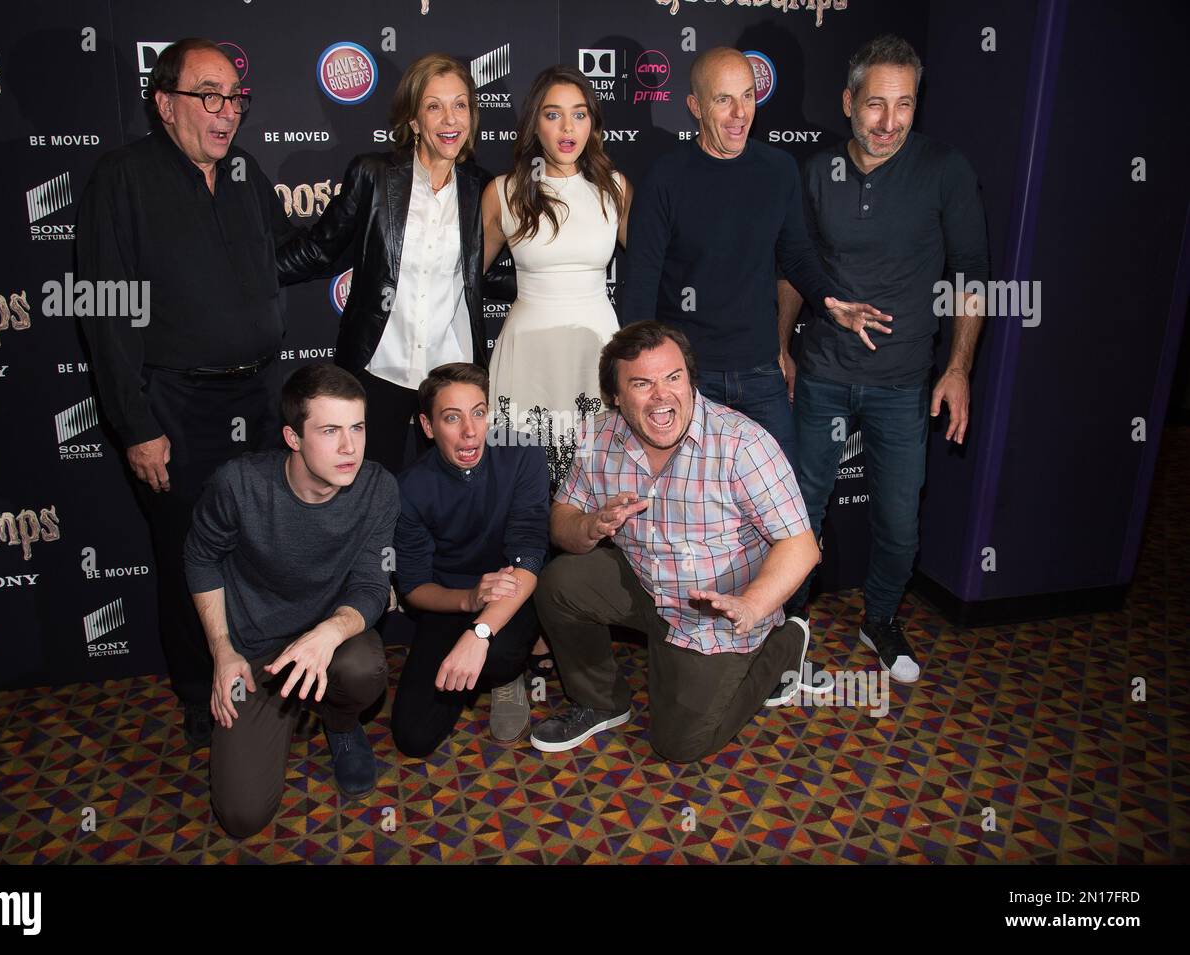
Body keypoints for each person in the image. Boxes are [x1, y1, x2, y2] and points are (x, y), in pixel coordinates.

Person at [77, 38, 294, 749]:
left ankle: (265, 681)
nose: (226, 111)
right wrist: (136, 424)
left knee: (261, 548)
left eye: (234, 96)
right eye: (209, 95)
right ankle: (202, 703)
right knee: (189, 557)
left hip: (260, 400)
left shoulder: (244, 173)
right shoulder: (123, 177)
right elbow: (104, 312)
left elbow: (295, 251)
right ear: (164, 103)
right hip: (175, 406)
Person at [780, 35, 989, 684]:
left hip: (904, 385)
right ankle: (790, 634)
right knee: (800, 514)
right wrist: (779, 346)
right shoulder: (816, 172)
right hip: (822, 374)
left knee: (899, 523)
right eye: (875, 104)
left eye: (904, 105)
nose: (889, 121)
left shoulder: (944, 169)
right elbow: (794, 269)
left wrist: (957, 368)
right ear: (848, 102)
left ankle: (880, 618)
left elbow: (971, 277)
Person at [530, 322, 820, 762]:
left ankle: (784, 647)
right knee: (559, 582)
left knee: (680, 745)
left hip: (719, 613)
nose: (663, 396)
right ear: (615, 396)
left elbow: (801, 545)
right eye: (642, 383)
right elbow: (562, 520)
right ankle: (601, 702)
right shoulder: (598, 436)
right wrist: (591, 525)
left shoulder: (742, 443)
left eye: (673, 377)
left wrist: (753, 605)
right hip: (647, 585)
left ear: (690, 379)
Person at [624, 46, 889, 471]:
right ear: (694, 106)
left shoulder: (778, 169)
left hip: (761, 371)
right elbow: (639, 286)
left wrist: (832, 301)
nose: (739, 113)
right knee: (695, 510)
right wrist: (643, 379)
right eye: (723, 100)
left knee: (784, 508)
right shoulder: (665, 178)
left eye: (747, 96)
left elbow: (797, 255)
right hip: (688, 379)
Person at [184, 364, 398, 838]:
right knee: (241, 818)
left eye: (357, 428)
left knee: (364, 667)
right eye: (329, 430)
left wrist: (327, 633)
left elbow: (370, 587)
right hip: (255, 653)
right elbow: (200, 559)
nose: (350, 447)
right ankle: (276, 709)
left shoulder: (378, 487)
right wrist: (222, 651)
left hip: (328, 643)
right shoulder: (239, 485)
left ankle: (340, 724)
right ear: (293, 437)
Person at [277, 52, 512, 474]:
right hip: (378, 362)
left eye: (460, 105)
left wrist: (557, 275)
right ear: (414, 120)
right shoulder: (374, 175)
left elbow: (487, 274)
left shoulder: (484, 189)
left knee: (448, 494)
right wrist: (245, 271)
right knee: (368, 487)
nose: (449, 119)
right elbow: (321, 248)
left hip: (451, 374)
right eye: (434, 106)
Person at [482, 65, 632, 493]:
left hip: (597, 347)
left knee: (599, 477)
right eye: (553, 115)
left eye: (579, 114)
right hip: (528, 353)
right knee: (525, 479)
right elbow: (465, 281)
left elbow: (651, 269)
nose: (568, 127)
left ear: (593, 123)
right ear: (535, 124)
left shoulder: (615, 189)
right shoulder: (504, 192)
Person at [389, 364, 549, 757]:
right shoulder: (410, 488)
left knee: (497, 653)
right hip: (451, 599)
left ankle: (503, 678)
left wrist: (479, 632)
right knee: (413, 737)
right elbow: (413, 588)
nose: (470, 431)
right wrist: (468, 601)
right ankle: (472, 665)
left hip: (513, 594)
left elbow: (529, 553)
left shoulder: (523, 454)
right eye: (452, 418)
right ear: (427, 427)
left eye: (478, 413)